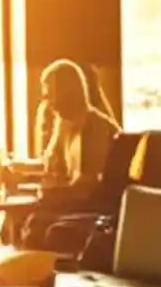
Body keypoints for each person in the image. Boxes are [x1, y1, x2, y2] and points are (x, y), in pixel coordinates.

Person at [19, 60, 122, 248]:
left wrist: (53, 194)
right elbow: (51, 165)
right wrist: (20, 170)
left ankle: (37, 272)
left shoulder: (96, 126)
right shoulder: (64, 125)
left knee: (35, 224)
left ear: (66, 92)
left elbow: (89, 183)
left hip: (96, 205)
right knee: (24, 220)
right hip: (76, 200)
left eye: (49, 95)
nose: (46, 102)